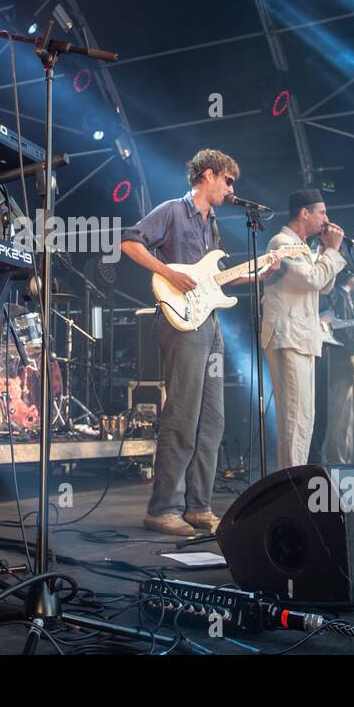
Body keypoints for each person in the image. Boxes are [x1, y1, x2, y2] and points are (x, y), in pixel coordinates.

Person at [120, 150, 279, 534]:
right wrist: (168, 274)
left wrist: (257, 274)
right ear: (207, 176)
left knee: (213, 419)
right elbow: (128, 241)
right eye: (227, 181)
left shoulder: (213, 227)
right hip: (181, 323)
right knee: (182, 415)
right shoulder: (173, 210)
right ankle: (162, 509)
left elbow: (215, 279)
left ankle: (198, 506)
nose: (231, 189)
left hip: (210, 324)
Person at [261, 189, 346, 471]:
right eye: (322, 212)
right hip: (288, 337)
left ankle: (294, 480)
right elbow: (312, 280)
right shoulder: (281, 242)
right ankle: (289, 486)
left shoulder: (303, 248)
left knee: (306, 417)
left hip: (304, 338)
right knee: (294, 417)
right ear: (304, 213)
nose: (326, 219)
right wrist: (331, 252)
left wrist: (325, 253)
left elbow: (324, 286)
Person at [312, 269, 354, 466]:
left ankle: (340, 462)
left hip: (340, 364)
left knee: (343, 418)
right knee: (340, 418)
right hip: (339, 364)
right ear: (350, 278)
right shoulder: (339, 294)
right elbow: (340, 330)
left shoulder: (344, 296)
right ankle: (338, 464)